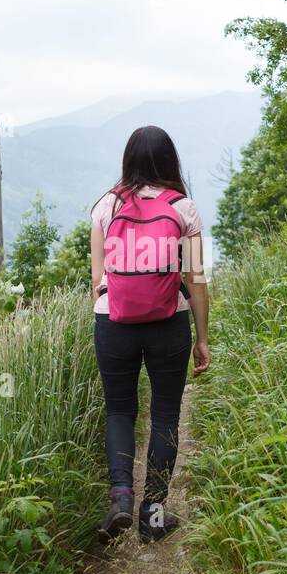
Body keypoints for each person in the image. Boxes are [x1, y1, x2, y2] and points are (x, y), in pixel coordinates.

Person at [89, 125, 210, 544]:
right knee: (164, 415)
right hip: (168, 322)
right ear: (168, 161)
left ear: (129, 160)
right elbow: (196, 280)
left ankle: (121, 498)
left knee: (120, 411)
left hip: (113, 320)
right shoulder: (184, 208)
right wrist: (202, 338)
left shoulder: (105, 206)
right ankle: (153, 517)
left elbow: (98, 280)